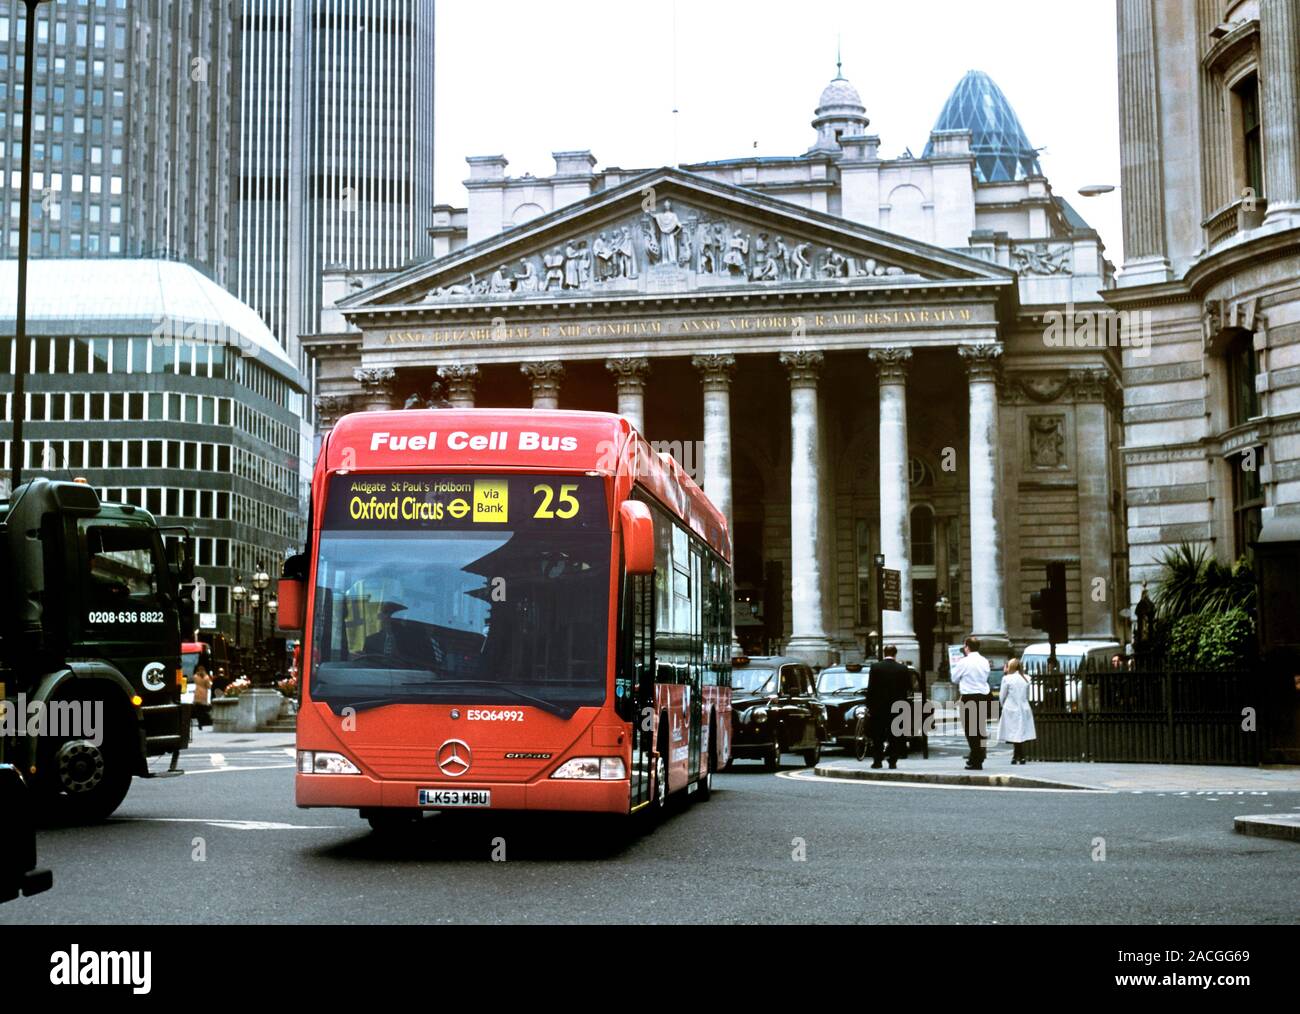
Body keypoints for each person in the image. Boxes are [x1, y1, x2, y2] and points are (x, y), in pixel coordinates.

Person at [865, 645, 911, 769]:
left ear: (884, 653)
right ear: (895, 654)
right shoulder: (903, 668)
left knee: (878, 735)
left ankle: (877, 761)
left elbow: (871, 688)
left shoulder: (875, 667)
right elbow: (908, 688)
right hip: (897, 706)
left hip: (879, 707)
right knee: (895, 735)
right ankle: (892, 761)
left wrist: (869, 706)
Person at [950, 635, 992, 769]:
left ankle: (976, 759)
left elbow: (954, 678)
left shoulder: (964, 662)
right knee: (980, 729)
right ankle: (977, 757)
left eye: (964, 646)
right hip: (983, 696)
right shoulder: (984, 661)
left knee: (970, 730)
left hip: (969, 697)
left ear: (967, 647)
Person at [998, 657, 1036, 764]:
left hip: (1011, 707)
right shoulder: (1027, 678)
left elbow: (1002, 695)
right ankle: (1019, 756)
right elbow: (1028, 695)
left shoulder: (1007, 678)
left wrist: (1003, 705)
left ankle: (1017, 756)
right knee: (1020, 732)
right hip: (1024, 707)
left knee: (1015, 733)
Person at [192, 661, 213, 730]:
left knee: (198, 711)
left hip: (197, 694)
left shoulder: (195, 676)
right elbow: (209, 686)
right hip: (203, 694)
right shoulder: (206, 677)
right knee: (203, 710)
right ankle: (204, 722)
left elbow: (194, 679)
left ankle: (200, 723)